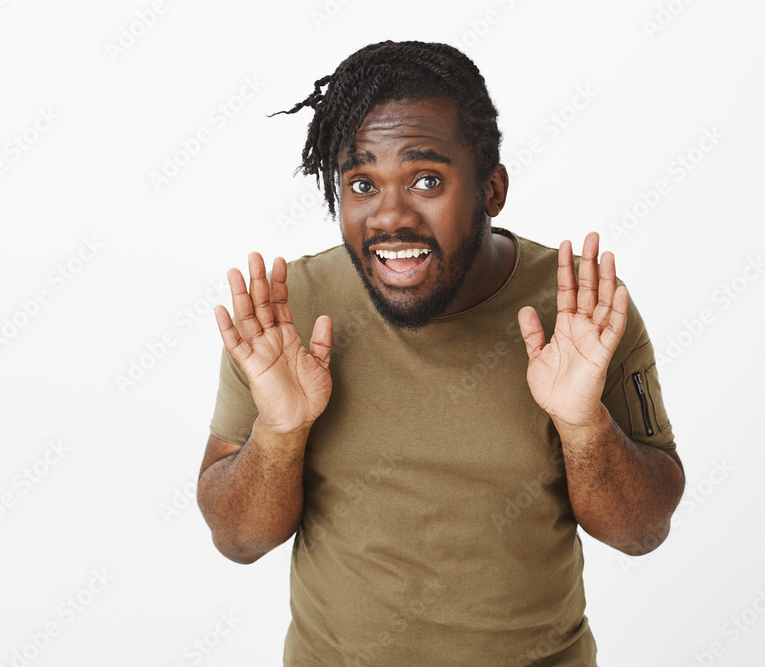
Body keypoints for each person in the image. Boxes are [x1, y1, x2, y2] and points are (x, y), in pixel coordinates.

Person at [196, 40, 684, 666]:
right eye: (362, 182)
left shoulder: (582, 308)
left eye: (427, 179)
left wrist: (583, 423)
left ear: (492, 188)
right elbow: (236, 541)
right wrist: (280, 431)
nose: (390, 217)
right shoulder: (283, 312)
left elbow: (642, 533)